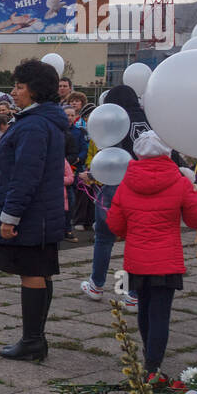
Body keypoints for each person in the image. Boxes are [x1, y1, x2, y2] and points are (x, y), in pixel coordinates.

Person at [105, 131, 197, 376]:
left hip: (137, 258)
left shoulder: (126, 183)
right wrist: (195, 193)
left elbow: (115, 225)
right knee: (161, 312)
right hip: (167, 259)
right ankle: (153, 363)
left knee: (144, 307)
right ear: (168, 152)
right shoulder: (181, 182)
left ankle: (148, 352)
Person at [0, 59, 69, 361]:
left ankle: (32, 340)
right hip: (43, 215)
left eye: (20, 86)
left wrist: (10, 216)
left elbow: (26, 175)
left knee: (32, 273)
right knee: (41, 273)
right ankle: (36, 337)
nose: (14, 92)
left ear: (34, 91)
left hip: (32, 216)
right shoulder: (43, 120)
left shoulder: (34, 125)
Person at [81, 84, 154, 309]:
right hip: (145, 185)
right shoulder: (151, 120)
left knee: (104, 237)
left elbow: (110, 156)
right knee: (137, 240)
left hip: (116, 185)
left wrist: (93, 174)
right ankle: (132, 294)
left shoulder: (115, 119)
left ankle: (97, 284)